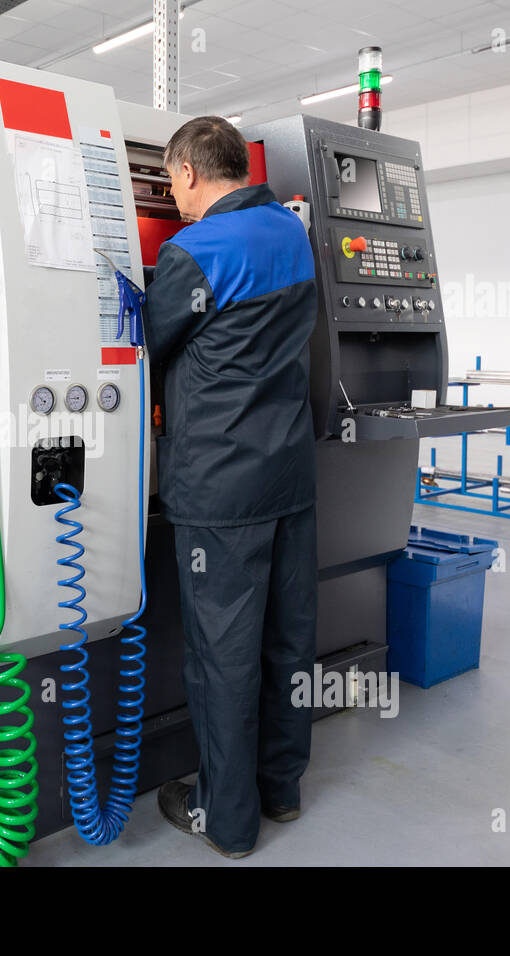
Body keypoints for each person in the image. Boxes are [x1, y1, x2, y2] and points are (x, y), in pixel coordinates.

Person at [142, 116, 319, 859]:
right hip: (290, 476)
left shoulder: (193, 251)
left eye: (171, 183)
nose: (173, 196)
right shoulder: (291, 233)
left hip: (220, 490)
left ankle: (228, 818)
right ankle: (280, 789)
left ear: (186, 172)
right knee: (288, 640)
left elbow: (149, 345)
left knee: (224, 656)